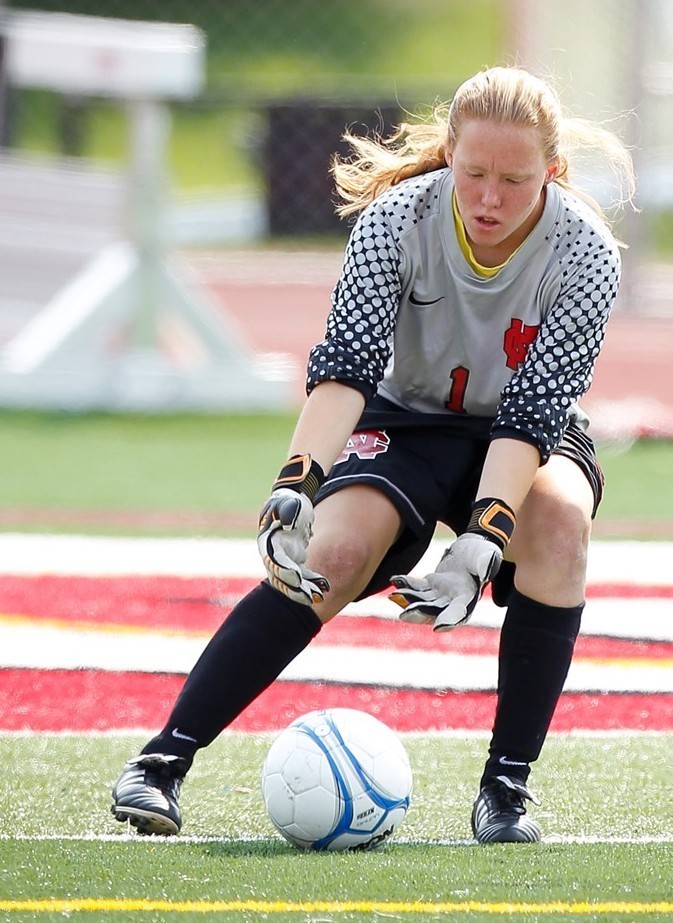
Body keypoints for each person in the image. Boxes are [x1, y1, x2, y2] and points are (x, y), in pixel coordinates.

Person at [111, 65, 635, 844]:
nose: (488, 199)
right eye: (473, 173)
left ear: (553, 172)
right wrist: (294, 488)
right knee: (335, 550)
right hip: (405, 416)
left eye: (514, 181)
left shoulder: (586, 253)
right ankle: (161, 761)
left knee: (559, 522)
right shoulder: (396, 219)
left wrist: (482, 540)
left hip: (522, 430)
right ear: (448, 155)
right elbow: (346, 367)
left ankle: (505, 789)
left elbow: (530, 415)